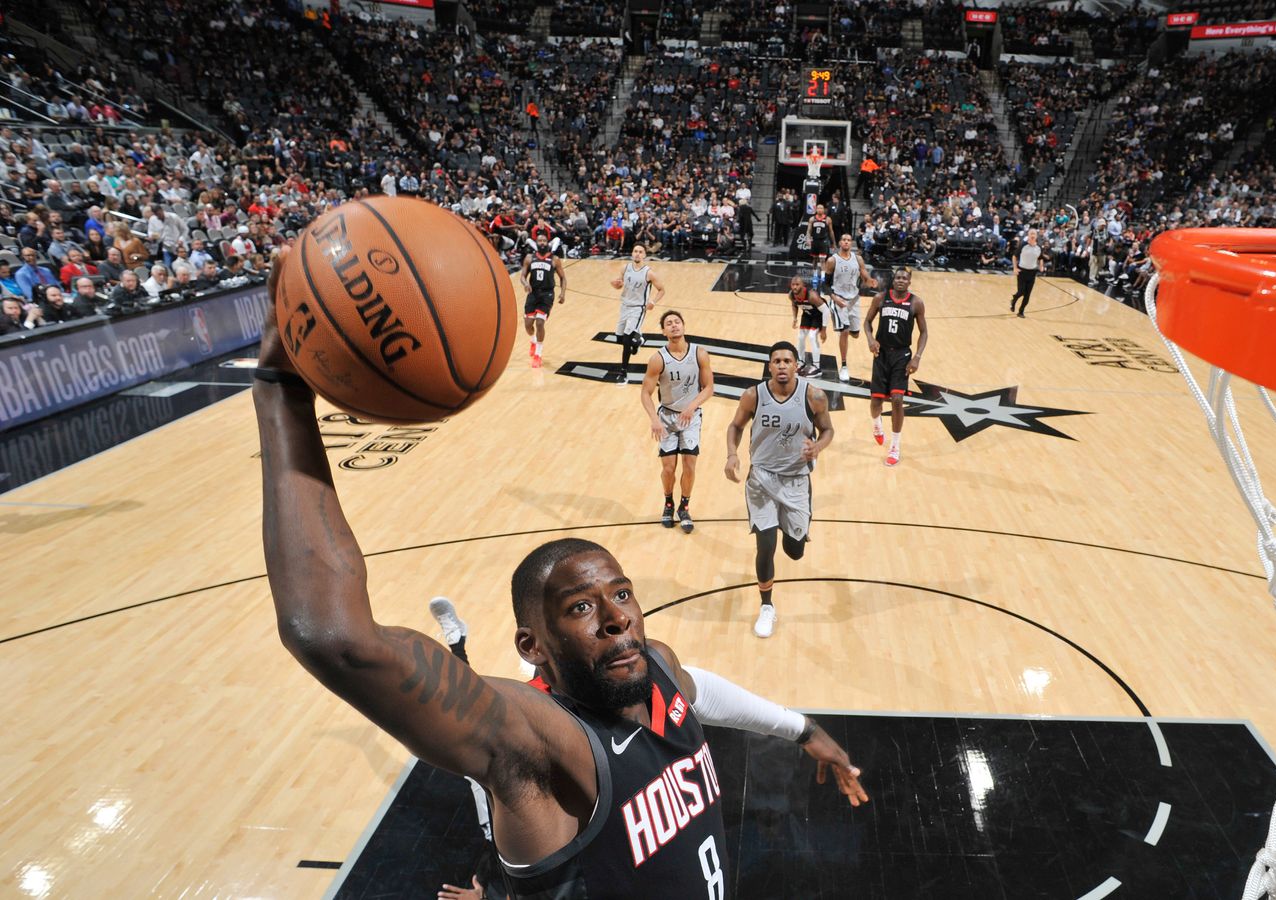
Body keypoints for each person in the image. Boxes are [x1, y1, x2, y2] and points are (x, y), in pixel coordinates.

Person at [255, 256, 866, 899]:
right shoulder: (538, 740)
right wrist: (278, 389)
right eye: (580, 608)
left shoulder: (655, 667)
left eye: (621, 593)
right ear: (533, 647)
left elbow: (703, 691)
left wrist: (804, 730)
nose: (616, 617)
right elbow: (333, 637)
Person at [724, 342, 835, 638]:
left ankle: (789, 528)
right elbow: (735, 426)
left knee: (795, 551)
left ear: (797, 365)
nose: (782, 365)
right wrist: (732, 454)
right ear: (769, 366)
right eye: (777, 361)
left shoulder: (814, 396)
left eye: (788, 360)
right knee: (765, 544)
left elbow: (828, 430)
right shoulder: (753, 396)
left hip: (797, 480)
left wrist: (818, 447)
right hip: (761, 479)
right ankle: (767, 607)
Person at [639, 310, 714, 534]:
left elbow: (709, 387)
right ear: (663, 331)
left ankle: (684, 506)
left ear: (684, 326)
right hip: (667, 417)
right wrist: (654, 419)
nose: (673, 326)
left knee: (690, 465)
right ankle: (669, 502)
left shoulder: (700, 354)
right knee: (669, 467)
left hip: (691, 417)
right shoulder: (657, 359)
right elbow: (645, 393)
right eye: (669, 323)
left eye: (677, 322)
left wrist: (692, 407)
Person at [863, 268, 930, 467]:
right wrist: (870, 339)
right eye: (898, 277)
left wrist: (917, 357)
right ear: (893, 280)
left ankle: (895, 446)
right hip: (881, 353)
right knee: (876, 400)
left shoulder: (916, 303)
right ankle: (877, 426)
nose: (901, 280)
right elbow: (867, 322)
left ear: (909, 282)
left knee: (897, 399)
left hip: (902, 355)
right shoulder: (881, 298)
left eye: (905, 278)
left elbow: (924, 332)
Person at [821, 233, 876, 382]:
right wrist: (834, 298)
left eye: (849, 240)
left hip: (854, 299)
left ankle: (843, 328)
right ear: (840, 242)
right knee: (845, 331)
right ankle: (844, 366)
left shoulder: (857, 258)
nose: (846, 242)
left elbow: (864, 275)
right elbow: (824, 284)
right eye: (844, 240)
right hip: (838, 299)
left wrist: (870, 281)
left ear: (851, 243)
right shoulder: (832, 260)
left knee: (855, 333)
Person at [609, 244, 666, 385]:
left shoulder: (649, 273)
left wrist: (653, 302)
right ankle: (638, 341)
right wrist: (615, 284)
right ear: (632, 253)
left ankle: (623, 373)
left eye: (640, 252)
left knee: (627, 340)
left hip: (638, 308)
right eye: (635, 251)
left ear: (645, 255)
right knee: (619, 339)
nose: (637, 254)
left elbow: (662, 290)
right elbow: (619, 284)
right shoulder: (625, 268)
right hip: (624, 306)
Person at [519, 235, 567, 369]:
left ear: (548, 243)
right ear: (536, 242)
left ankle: (538, 355)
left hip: (547, 294)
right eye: (539, 240)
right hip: (533, 293)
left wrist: (562, 293)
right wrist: (525, 284)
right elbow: (522, 276)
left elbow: (563, 278)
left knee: (540, 322)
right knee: (528, 325)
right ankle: (533, 340)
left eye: (544, 241)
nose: (542, 243)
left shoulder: (554, 259)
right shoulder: (529, 258)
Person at [787, 274, 827, 377]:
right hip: (807, 314)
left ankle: (817, 368)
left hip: (819, 315)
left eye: (797, 284)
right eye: (793, 284)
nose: (795, 287)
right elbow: (794, 304)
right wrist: (795, 318)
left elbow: (826, 311)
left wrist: (824, 330)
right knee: (800, 337)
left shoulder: (811, 296)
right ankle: (801, 362)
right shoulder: (791, 295)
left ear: (803, 285)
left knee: (812, 336)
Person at [1011, 228, 1043, 317]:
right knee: (1021, 291)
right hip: (1022, 272)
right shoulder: (1023, 245)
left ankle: (1021, 311)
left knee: (1027, 294)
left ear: (1036, 236)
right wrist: (1015, 268)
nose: (1032, 235)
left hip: (1032, 273)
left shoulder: (1039, 247)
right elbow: (1014, 256)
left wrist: (1041, 266)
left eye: (1034, 234)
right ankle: (1014, 301)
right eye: (1031, 234)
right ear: (1028, 235)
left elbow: (1040, 258)